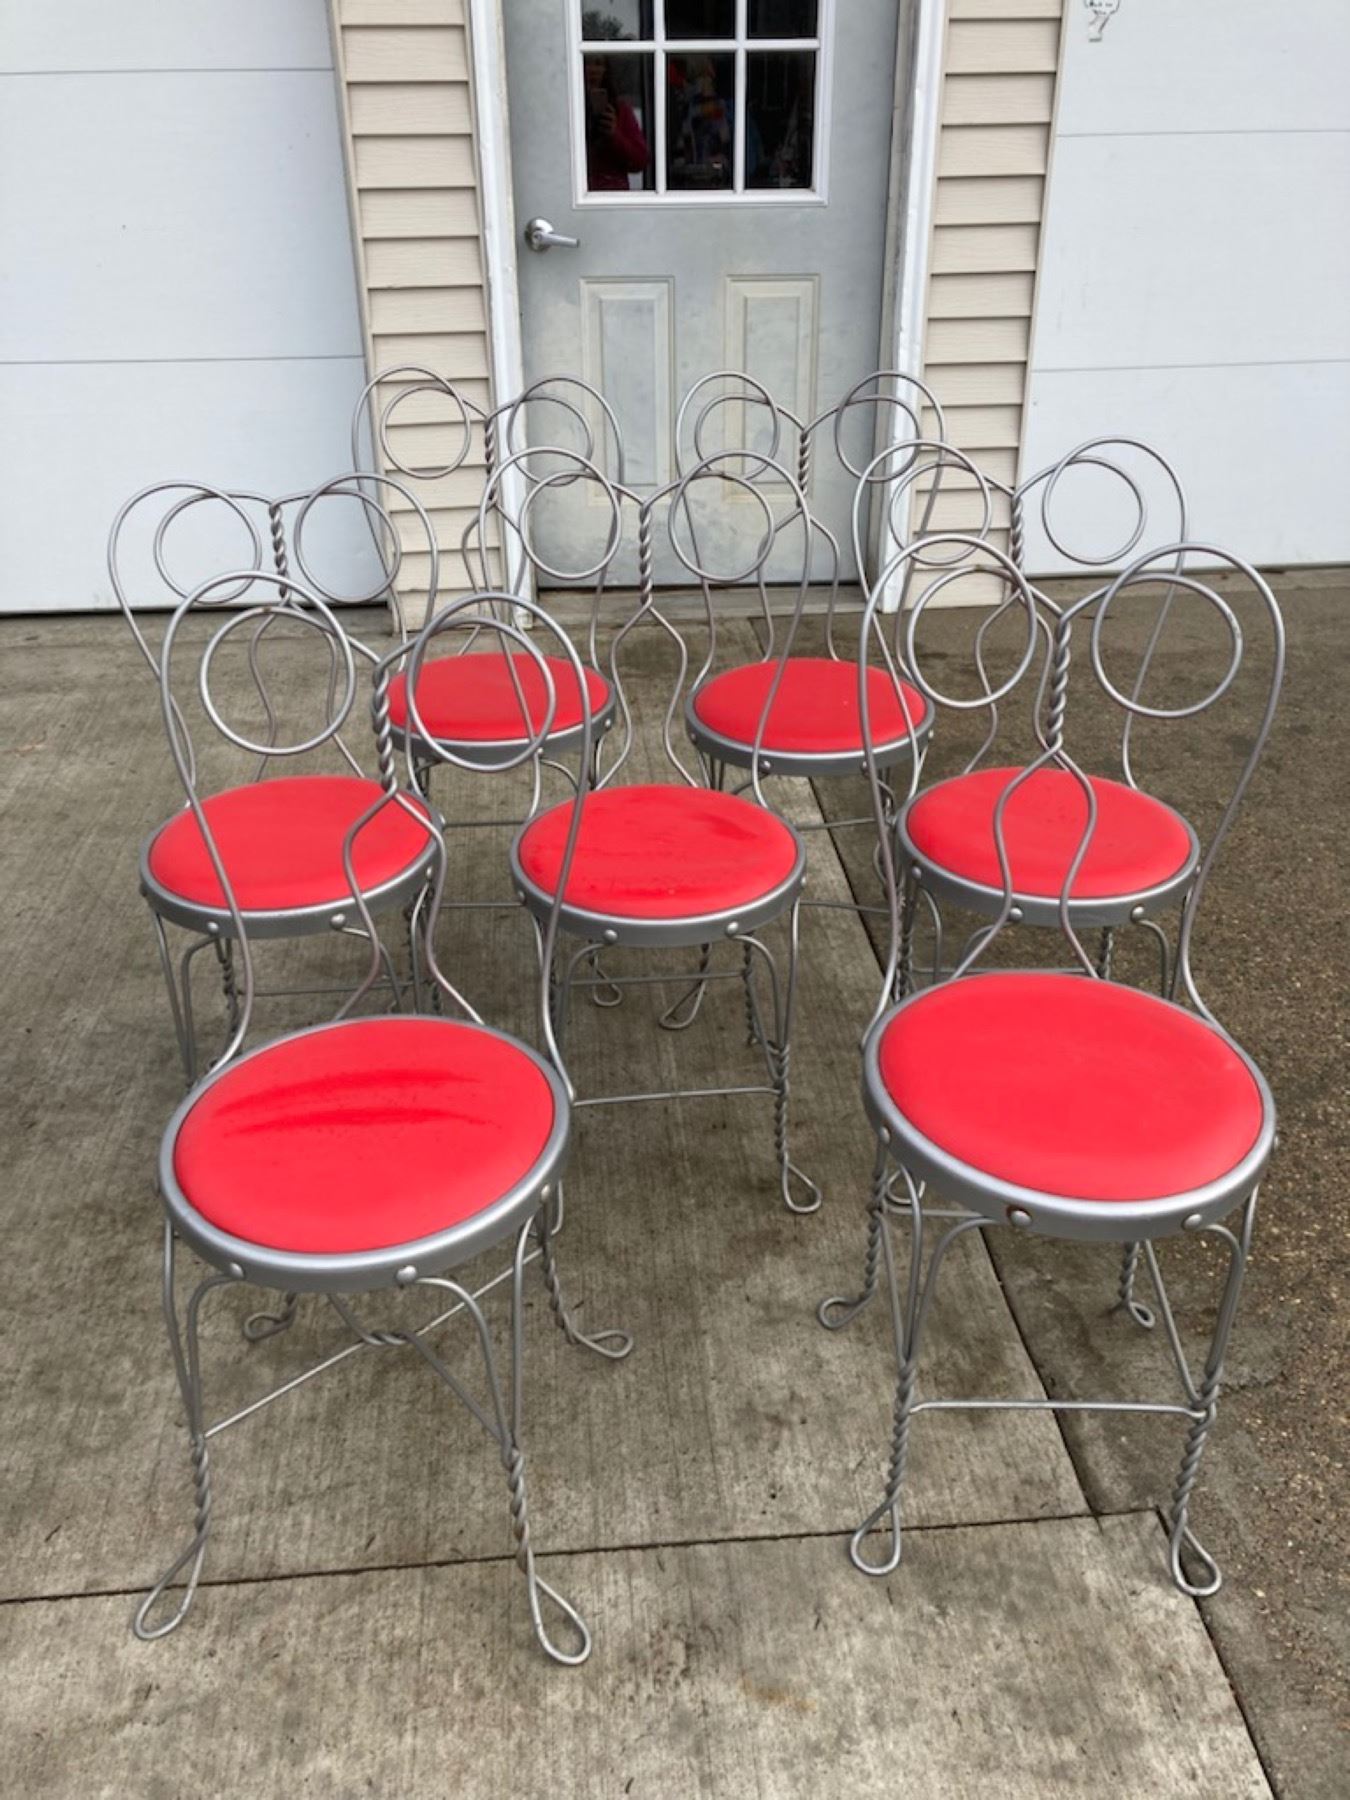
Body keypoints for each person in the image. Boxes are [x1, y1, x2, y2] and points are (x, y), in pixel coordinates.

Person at [584, 58, 650, 192]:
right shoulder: (567, 111)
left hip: (612, 193)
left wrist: (615, 135)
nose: (592, 69)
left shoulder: (620, 110)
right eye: (586, 62)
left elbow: (640, 160)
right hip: (572, 191)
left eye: (598, 64)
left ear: (605, 70)